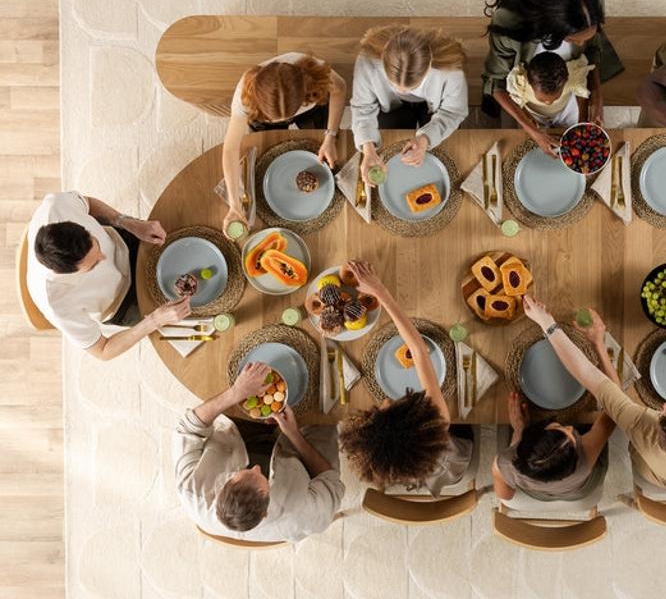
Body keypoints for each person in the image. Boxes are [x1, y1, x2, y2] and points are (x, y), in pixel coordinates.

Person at [522, 298, 666, 498]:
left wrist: (547, 323)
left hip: (652, 470)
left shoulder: (643, 428)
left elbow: (587, 374)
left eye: (665, 411)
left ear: (658, 432)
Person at [338, 260, 473, 496]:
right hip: (453, 459)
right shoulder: (439, 420)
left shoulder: (393, 458)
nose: (383, 402)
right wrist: (380, 290)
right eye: (384, 411)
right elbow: (419, 351)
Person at [172, 361, 344, 542]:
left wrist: (235, 393)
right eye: (259, 477)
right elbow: (330, 479)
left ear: (222, 488)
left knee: (222, 373)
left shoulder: (191, 490)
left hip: (235, 433)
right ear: (265, 513)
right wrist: (294, 435)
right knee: (325, 398)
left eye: (243, 474)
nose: (255, 468)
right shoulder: (301, 514)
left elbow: (187, 428)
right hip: (296, 450)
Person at [26, 191, 191, 360]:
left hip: (123, 241)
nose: (103, 257)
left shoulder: (58, 206)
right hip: (123, 303)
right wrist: (154, 320)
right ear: (69, 272)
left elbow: (88, 204)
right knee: (192, 316)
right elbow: (102, 351)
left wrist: (128, 222)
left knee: (188, 236)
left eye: (95, 243)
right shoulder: (57, 304)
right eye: (94, 264)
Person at [482, 0, 624, 156]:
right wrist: (534, 132)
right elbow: (497, 82)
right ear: (553, 26)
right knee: (512, 149)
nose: (583, 43)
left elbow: (590, 55)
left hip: (568, 86)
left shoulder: (593, 3)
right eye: (574, 40)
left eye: (587, 37)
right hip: (524, 92)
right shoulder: (509, 22)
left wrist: (597, 101)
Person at [492, 308, 615, 502]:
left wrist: (518, 431)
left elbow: (505, 495)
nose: (569, 427)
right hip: (579, 490)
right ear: (576, 458)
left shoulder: (505, 463)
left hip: (540, 492)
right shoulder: (584, 462)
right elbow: (614, 408)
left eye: (560, 427)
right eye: (572, 434)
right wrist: (598, 344)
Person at [220, 52, 348, 234]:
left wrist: (330, 136)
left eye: (289, 114)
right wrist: (234, 204)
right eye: (281, 117)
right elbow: (230, 149)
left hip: (310, 111)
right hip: (262, 119)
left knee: (326, 144)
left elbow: (340, 89)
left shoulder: (315, 72)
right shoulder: (244, 96)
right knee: (266, 154)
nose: (287, 120)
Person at [351, 26, 469, 185]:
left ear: (428, 67)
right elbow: (362, 108)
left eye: (412, 88)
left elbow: (453, 112)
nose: (401, 90)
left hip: (436, 107)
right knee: (389, 145)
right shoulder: (368, 61)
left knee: (444, 152)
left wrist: (425, 139)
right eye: (394, 84)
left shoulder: (451, 71)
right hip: (391, 105)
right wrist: (368, 149)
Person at [506, 52, 594, 131]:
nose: (549, 103)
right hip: (535, 114)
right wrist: (527, 117)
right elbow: (517, 102)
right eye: (542, 100)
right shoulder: (520, 83)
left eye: (555, 98)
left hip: (563, 110)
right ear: (529, 83)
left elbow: (581, 93)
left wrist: (582, 119)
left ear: (566, 81)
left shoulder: (573, 74)